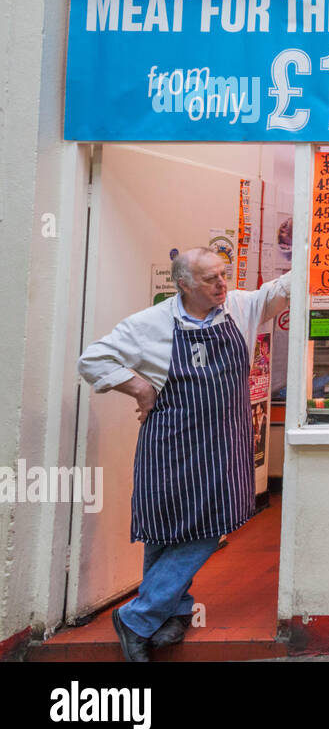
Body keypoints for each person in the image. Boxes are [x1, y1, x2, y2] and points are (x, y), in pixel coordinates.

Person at [77, 248, 290, 661]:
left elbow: (280, 291)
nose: (221, 284)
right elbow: (92, 359)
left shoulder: (240, 307)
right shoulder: (150, 324)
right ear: (184, 285)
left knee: (213, 523)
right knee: (163, 528)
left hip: (224, 438)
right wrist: (138, 387)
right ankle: (158, 614)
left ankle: (147, 615)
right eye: (210, 279)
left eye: (223, 275)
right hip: (170, 439)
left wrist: (320, 245)